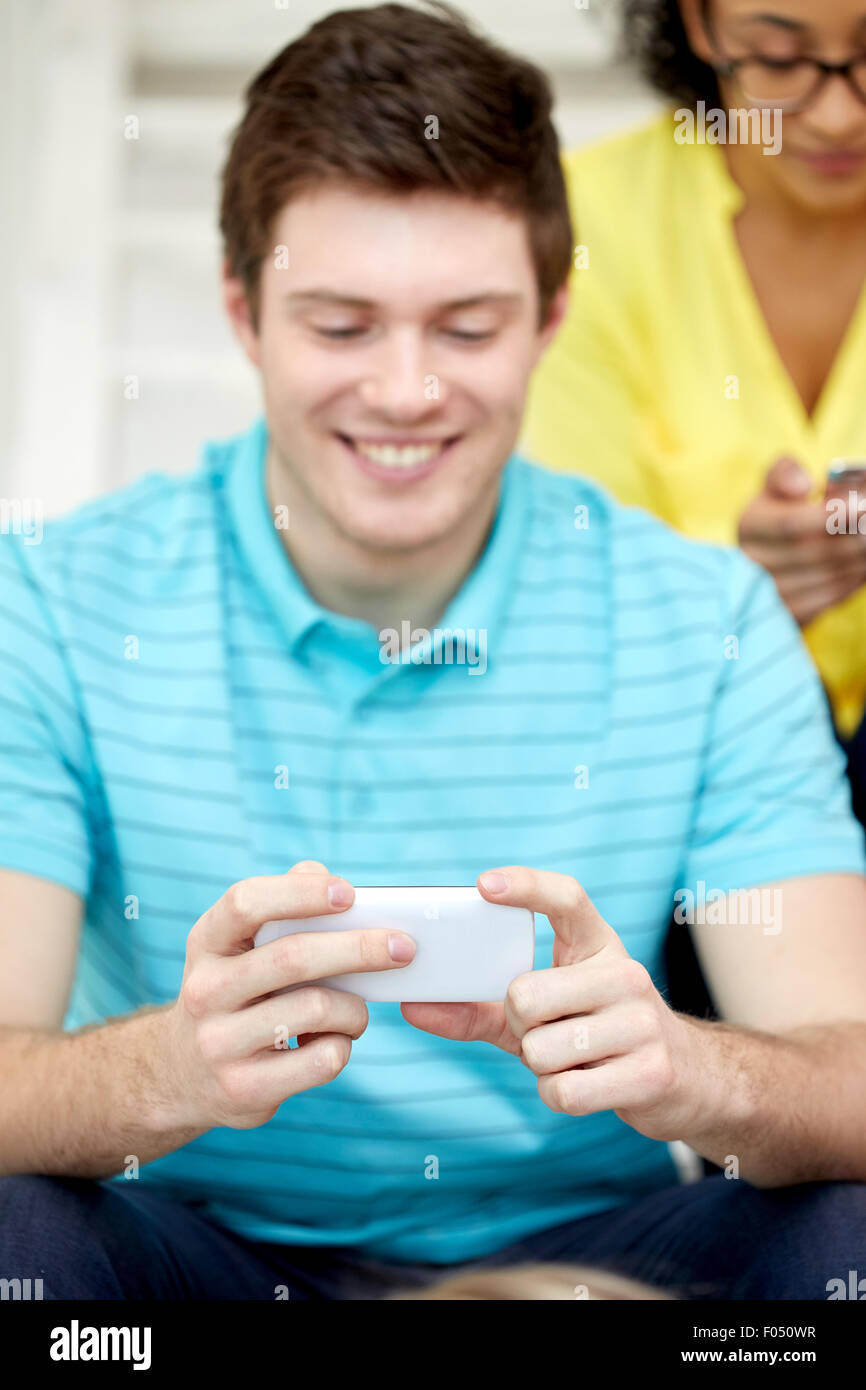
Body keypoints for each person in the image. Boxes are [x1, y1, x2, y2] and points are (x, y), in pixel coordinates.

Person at [1, 1, 866, 1302]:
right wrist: (166, 1071)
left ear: (549, 317)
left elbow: (843, 1073)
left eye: (465, 328)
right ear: (243, 312)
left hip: (589, 1258)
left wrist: (688, 1070)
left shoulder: (706, 620)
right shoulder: (53, 601)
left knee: (845, 1234)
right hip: (190, 1253)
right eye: (341, 326)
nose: (405, 391)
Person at [523, 0, 866, 825]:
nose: (837, 114)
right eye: (778, 58)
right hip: (679, 768)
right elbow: (566, 596)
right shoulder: (584, 224)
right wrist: (724, 590)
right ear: (699, 24)